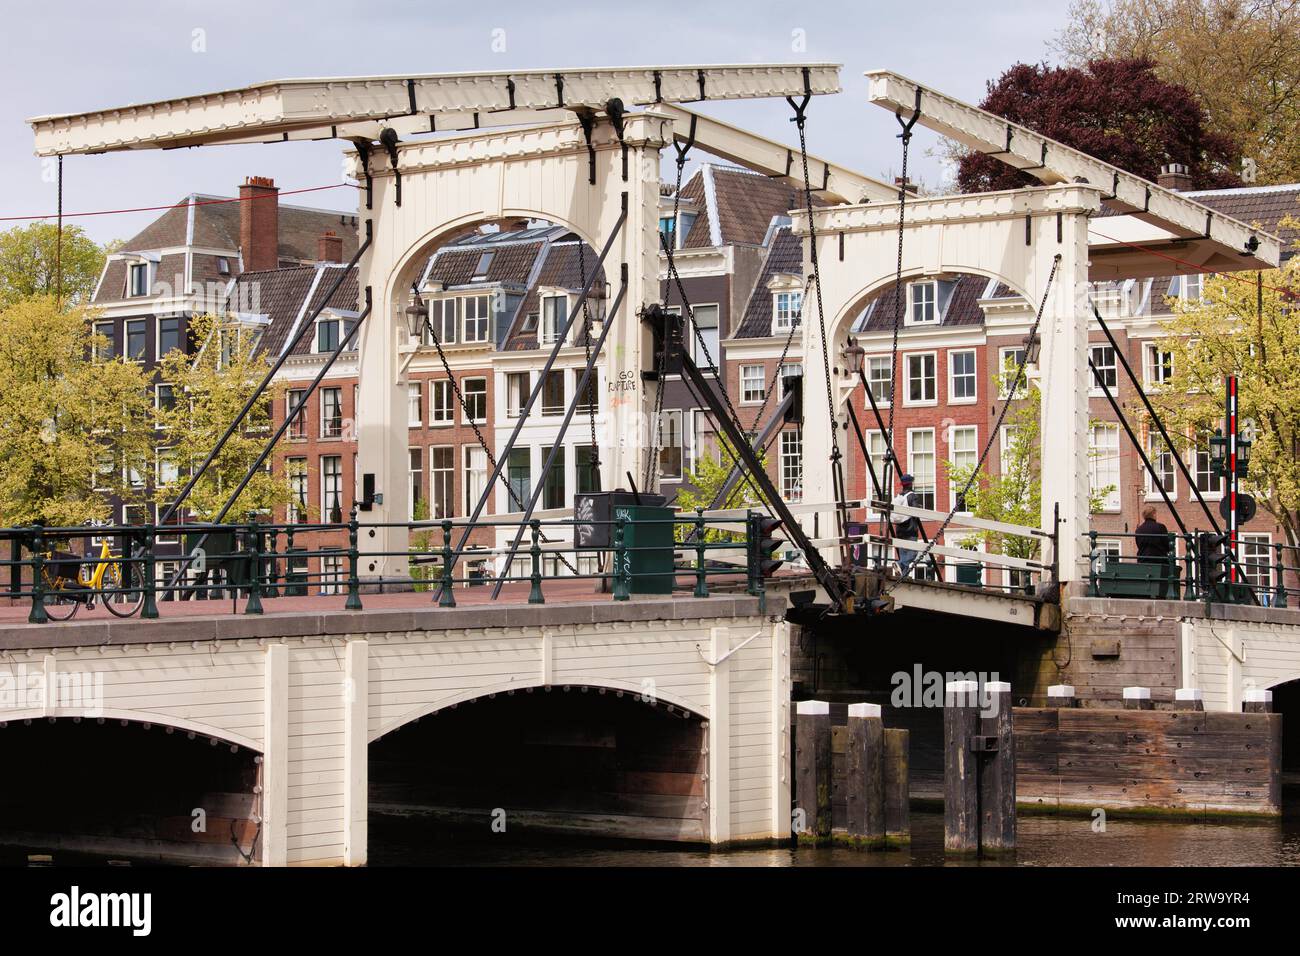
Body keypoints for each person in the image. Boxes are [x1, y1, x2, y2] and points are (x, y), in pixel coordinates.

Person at [1134, 505, 1172, 598]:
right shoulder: (1160, 527)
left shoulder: (1139, 529)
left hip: (1143, 561)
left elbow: (1139, 545)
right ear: (1154, 514)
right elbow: (1167, 545)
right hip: (1159, 561)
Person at [891, 474, 922, 578]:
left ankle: (903, 576)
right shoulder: (913, 496)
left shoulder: (899, 496)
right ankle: (900, 564)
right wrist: (919, 507)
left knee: (903, 553)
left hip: (900, 530)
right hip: (910, 529)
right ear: (911, 484)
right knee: (912, 553)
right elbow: (914, 511)